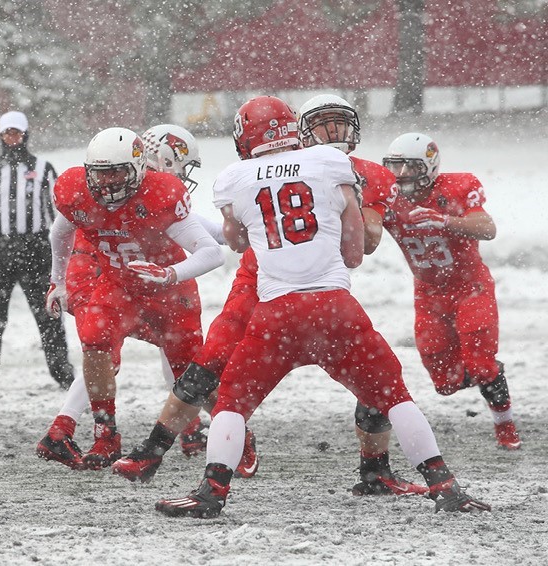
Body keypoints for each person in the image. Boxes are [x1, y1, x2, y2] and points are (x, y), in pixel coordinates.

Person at [154, 96, 489, 519]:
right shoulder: (331, 164)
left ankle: (212, 492)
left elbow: (237, 242)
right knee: (395, 397)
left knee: (232, 404)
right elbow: (354, 254)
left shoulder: (234, 178)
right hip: (334, 307)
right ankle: (444, 486)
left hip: (275, 313)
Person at [113, 95, 424, 497]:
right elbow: (237, 238)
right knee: (209, 362)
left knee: (375, 378)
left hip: (317, 286)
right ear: (297, 130)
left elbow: (369, 242)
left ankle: (375, 470)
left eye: (339, 124)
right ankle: (151, 453)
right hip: (258, 279)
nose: (333, 133)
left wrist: (350, 199)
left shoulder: (364, 174)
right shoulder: (265, 168)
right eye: (322, 124)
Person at [41, 127, 224, 470]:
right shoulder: (85, 190)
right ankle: (89, 433)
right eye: (101, 174)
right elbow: (61, 232)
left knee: (183, 362)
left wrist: (255, 231)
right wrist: (58, 282)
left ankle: (208, 427)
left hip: (156, 283)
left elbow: (209, 241)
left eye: (115, 173)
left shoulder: (157, 193)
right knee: (99, 346)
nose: (108, 182)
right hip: (103, 272)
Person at [382, 132, 520, 449]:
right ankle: (488, 372)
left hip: (470, 287)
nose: (402, 174)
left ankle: (505, 424)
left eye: (411, 167)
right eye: (395, 166)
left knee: (481, 364)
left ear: (430, 167)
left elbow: (488, 228)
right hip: (428, 294)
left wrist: (445, 221)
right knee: (445, 383)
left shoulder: (456, 187)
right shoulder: (388, 198)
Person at [0, 110, 74, 390]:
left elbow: (61, 213)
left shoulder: (44, 169)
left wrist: (67, 252)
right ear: (0, 136)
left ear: (25, 135)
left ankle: (63, 373)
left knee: (49, 315)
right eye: (7, 133)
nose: (12, 138)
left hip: (36, 251)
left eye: (17, 133)